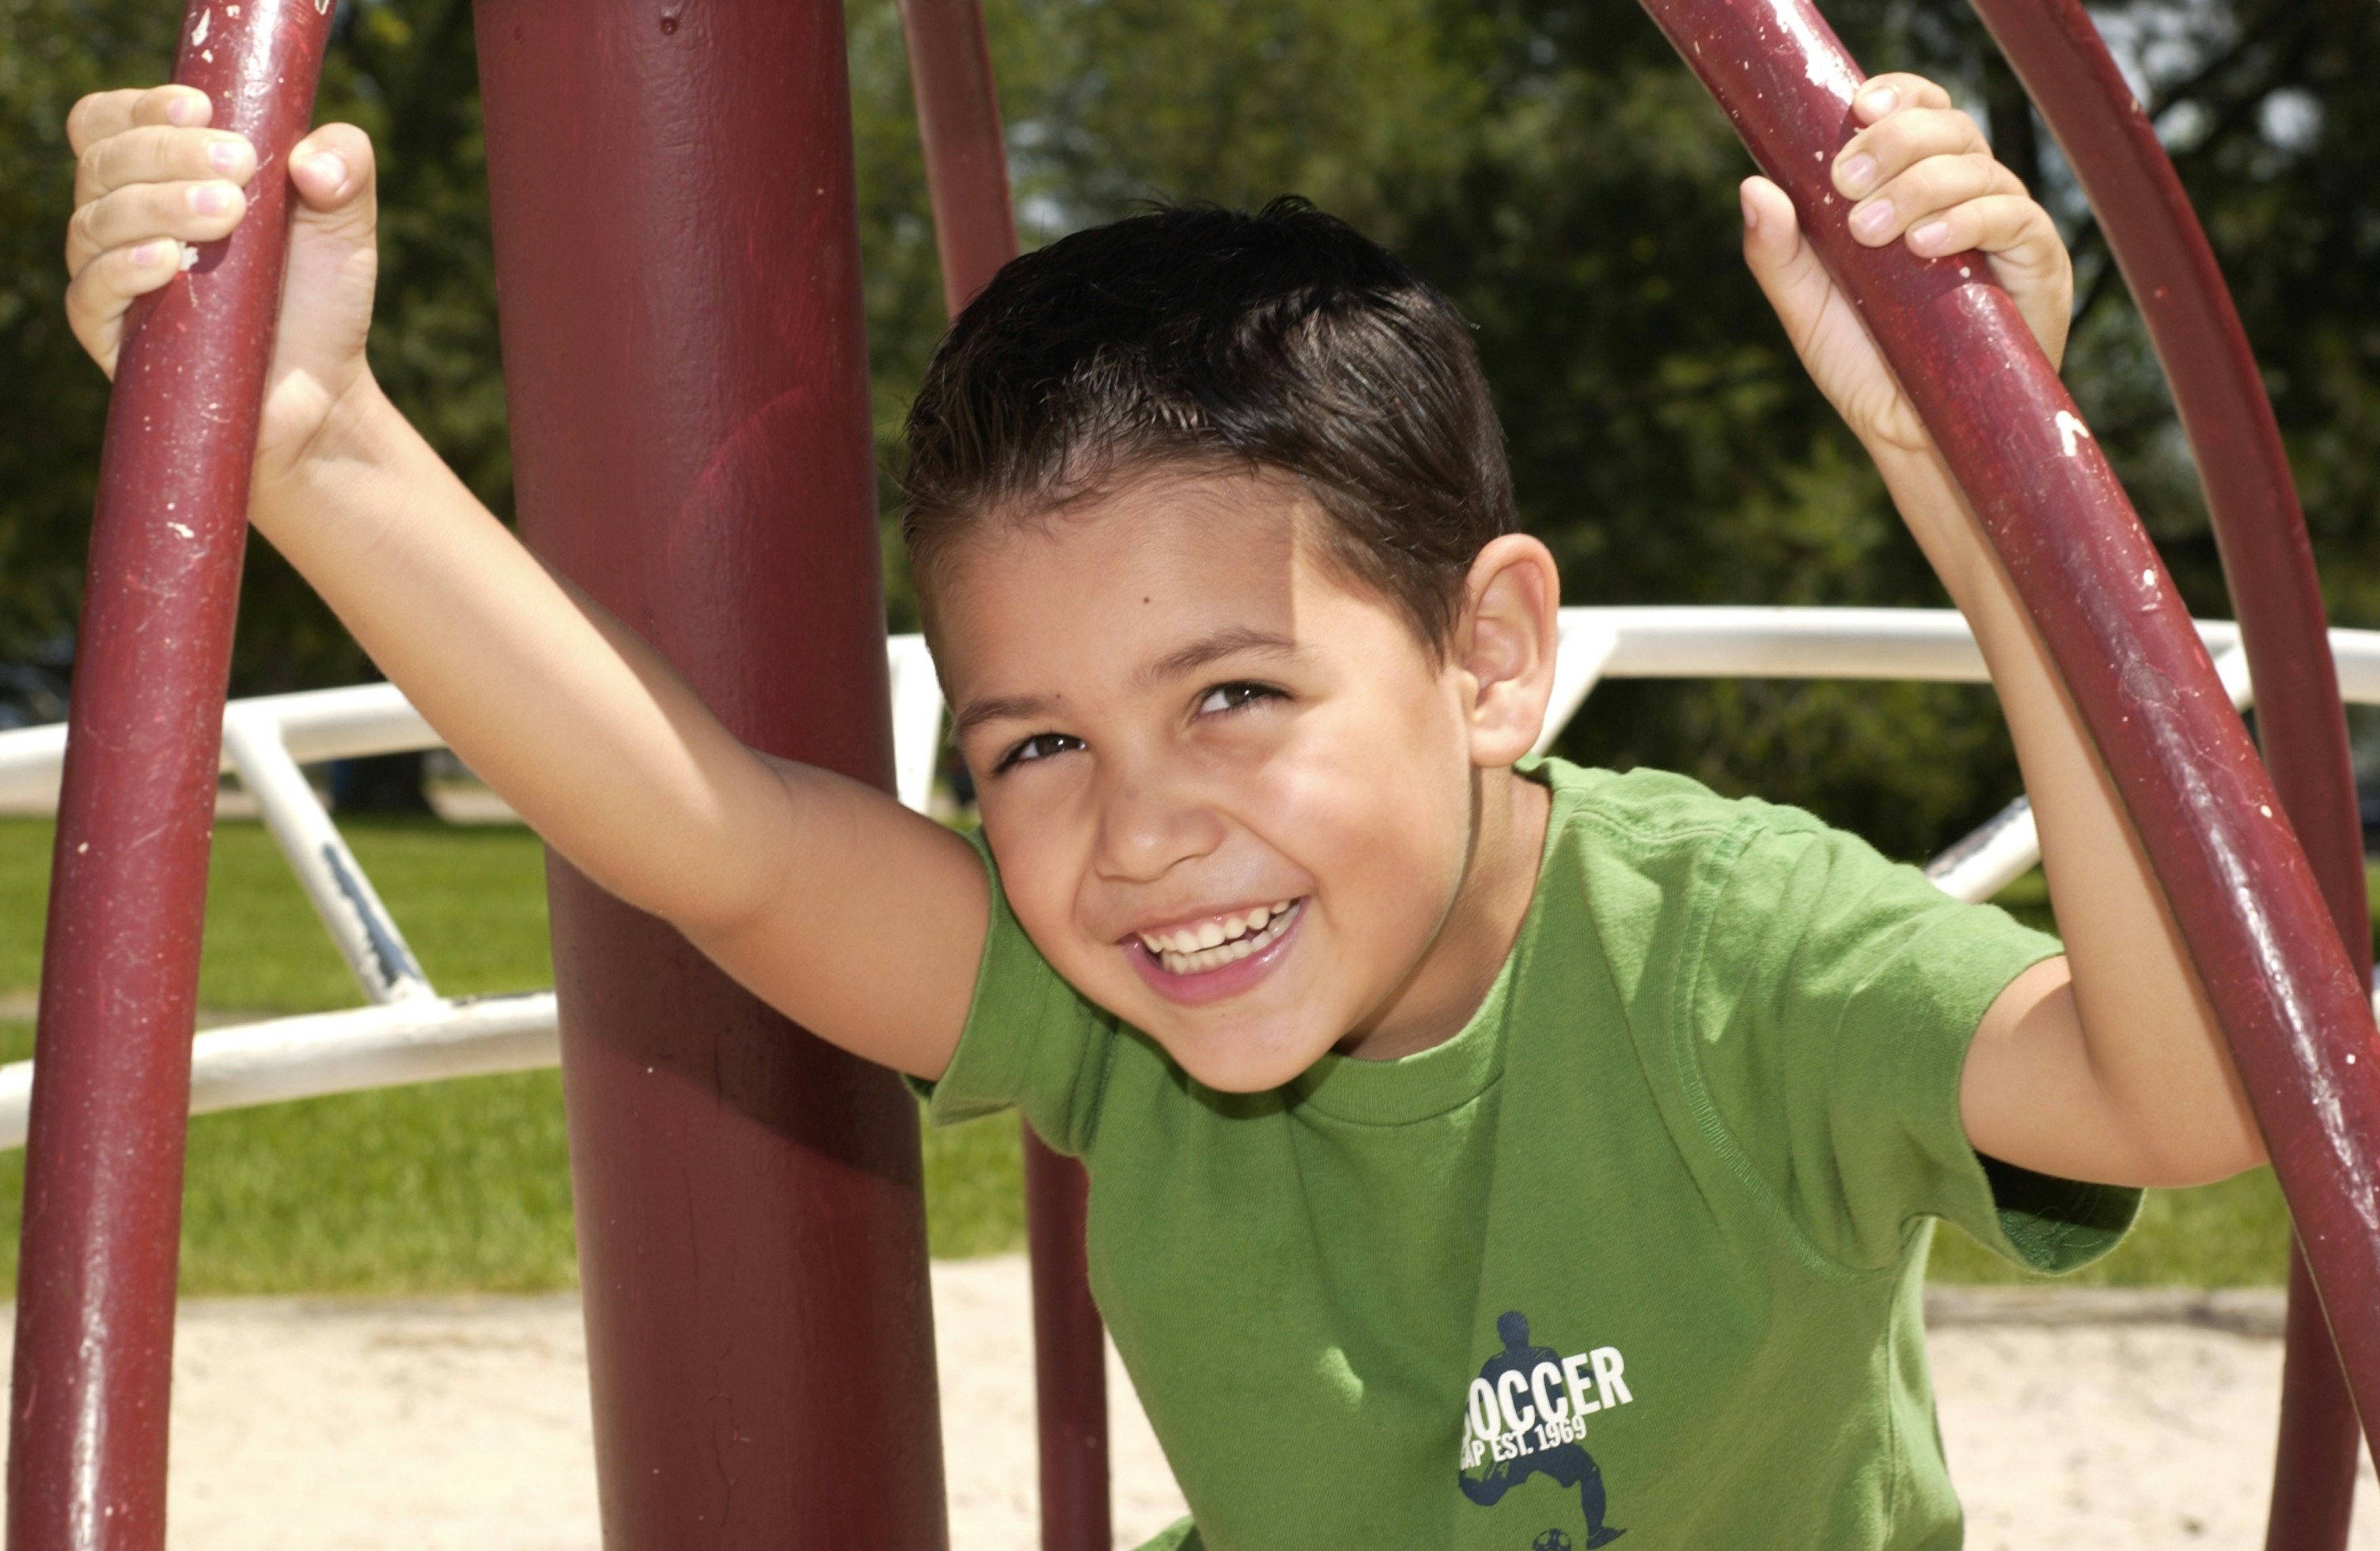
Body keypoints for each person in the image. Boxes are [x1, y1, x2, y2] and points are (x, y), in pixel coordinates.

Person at [60, 70, 2261, 1548]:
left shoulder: (1734, 960)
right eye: (1036, 746)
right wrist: (313, 447)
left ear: (1490, 657)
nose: (1137, 836)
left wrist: (1987, 494)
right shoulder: (1104, 993)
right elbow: (714, 837)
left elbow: (2178, 1101)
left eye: (1232, 695)